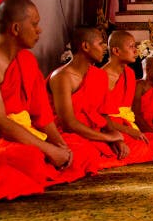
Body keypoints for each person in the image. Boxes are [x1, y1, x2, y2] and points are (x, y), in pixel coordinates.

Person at [0, 0, 99, 199]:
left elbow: (42, 115)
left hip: (27, 133)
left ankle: (46, 164)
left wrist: (61, 147)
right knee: (31, 159)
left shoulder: (27, 60)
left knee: (84, 150)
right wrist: (50, 151)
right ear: (16, 28)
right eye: (34, 24)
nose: (39, 30)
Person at [49, 26, 147, 168]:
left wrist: (116, 138)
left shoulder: (98, 76)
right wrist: (108, 137)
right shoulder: (62, 77)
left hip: (93, 132)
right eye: (101, 44)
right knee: (84, 155)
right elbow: (68, 124)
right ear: (85, 46)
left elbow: (103, 115)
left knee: (139, 148)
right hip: (68, 134)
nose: (104, 48)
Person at [102, 31, 153, 157]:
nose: (135, 51)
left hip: (125, 125)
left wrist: (132, 130)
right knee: (142, 147)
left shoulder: (129, 73)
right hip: (107, 127)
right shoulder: (101, 76)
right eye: (131, 47)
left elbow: (128, 112)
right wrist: (124, 132)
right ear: (116, 51)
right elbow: (98, 116)